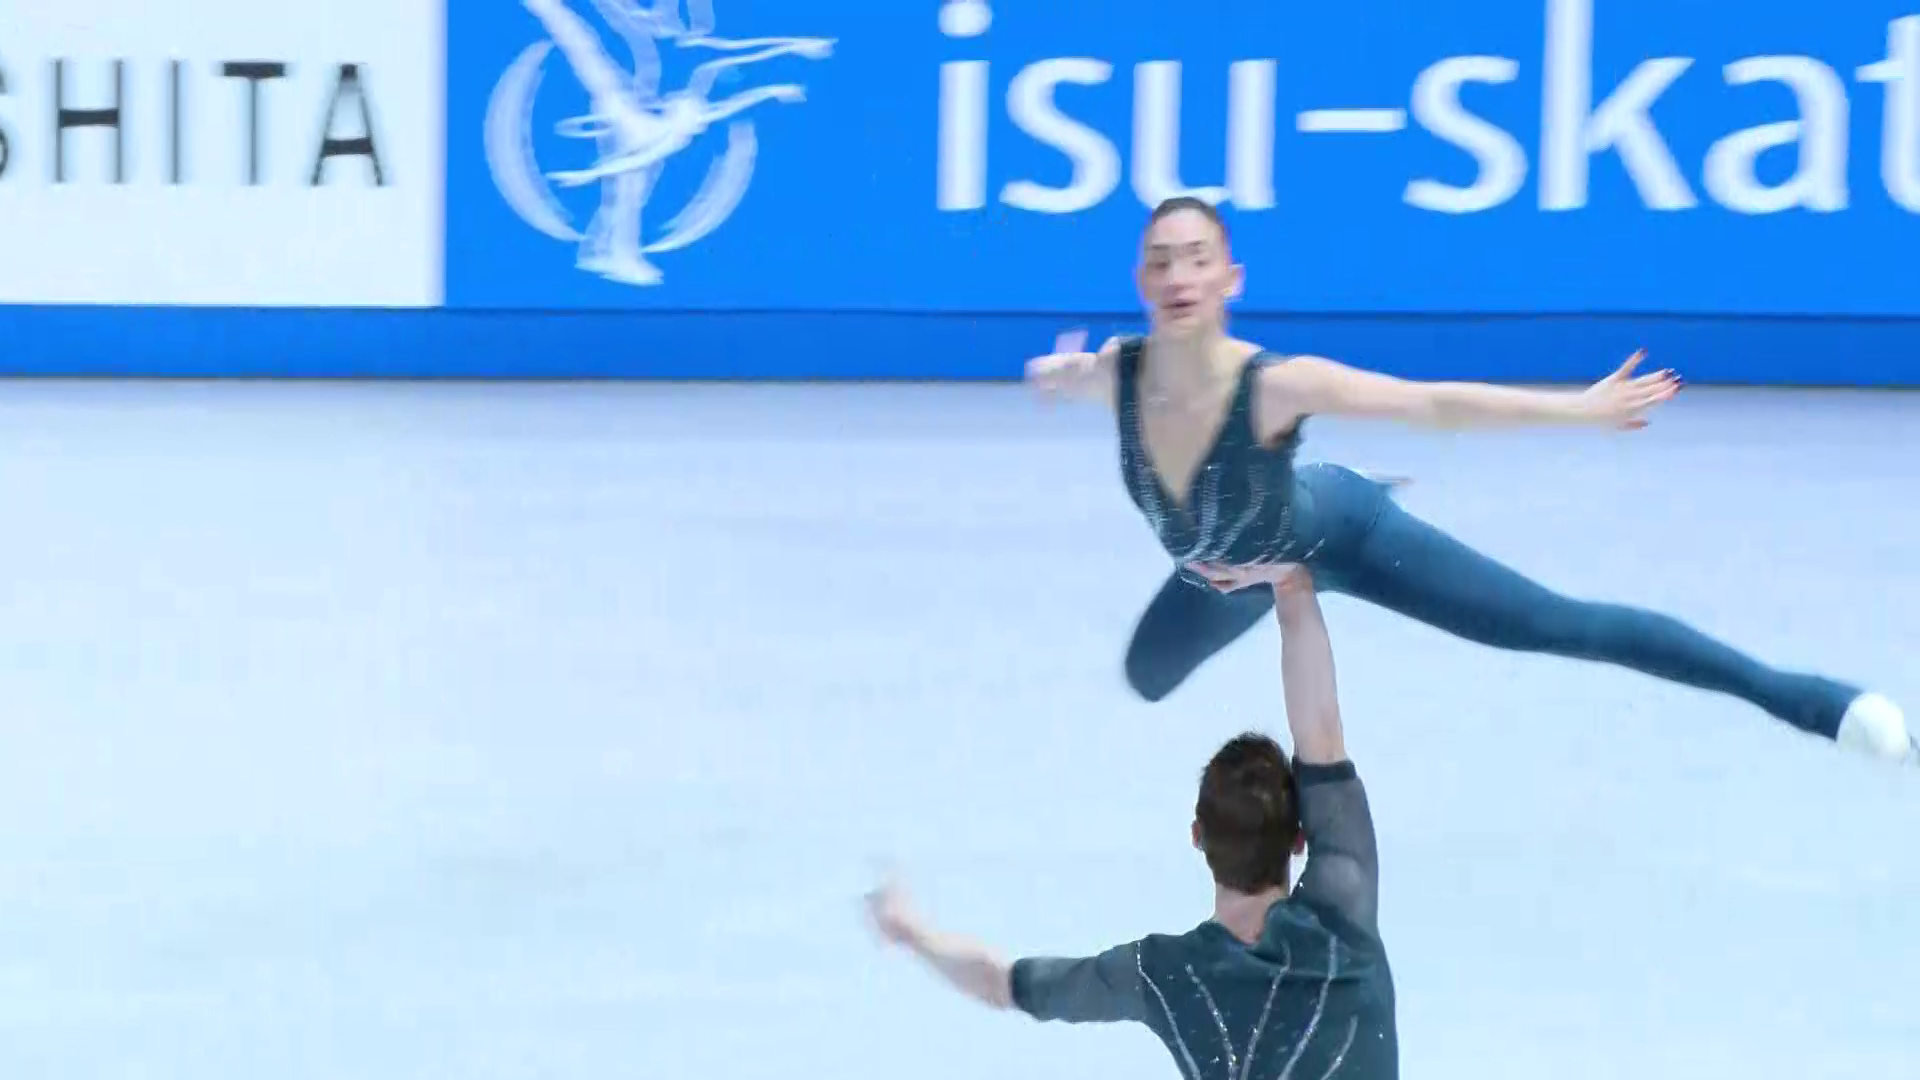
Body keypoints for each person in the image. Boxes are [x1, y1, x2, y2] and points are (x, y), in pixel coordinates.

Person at [1023, 196, 1915, 766]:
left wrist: (1579, 409)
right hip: (1227, 568)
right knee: (1146, 675)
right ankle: (1278, 561)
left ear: (1231, 279)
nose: (1179, 274)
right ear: (1142, 279)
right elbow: (1074, 375)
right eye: (1162, 259)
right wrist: (1056, 376)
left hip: (1335, 531)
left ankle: (1815, 704)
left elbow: (1434, 404)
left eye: (1197, 258)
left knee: (1554, 625)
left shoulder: (1275, 386)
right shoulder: (1118, 373)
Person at [866, 564, 1396, 1079]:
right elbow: (1321, 733)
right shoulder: (1341, 909)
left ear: (1197, 838)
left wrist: (913, 934)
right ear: (1299, 838)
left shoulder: (1166, 975)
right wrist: (1291, 582)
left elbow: (1001, 984)